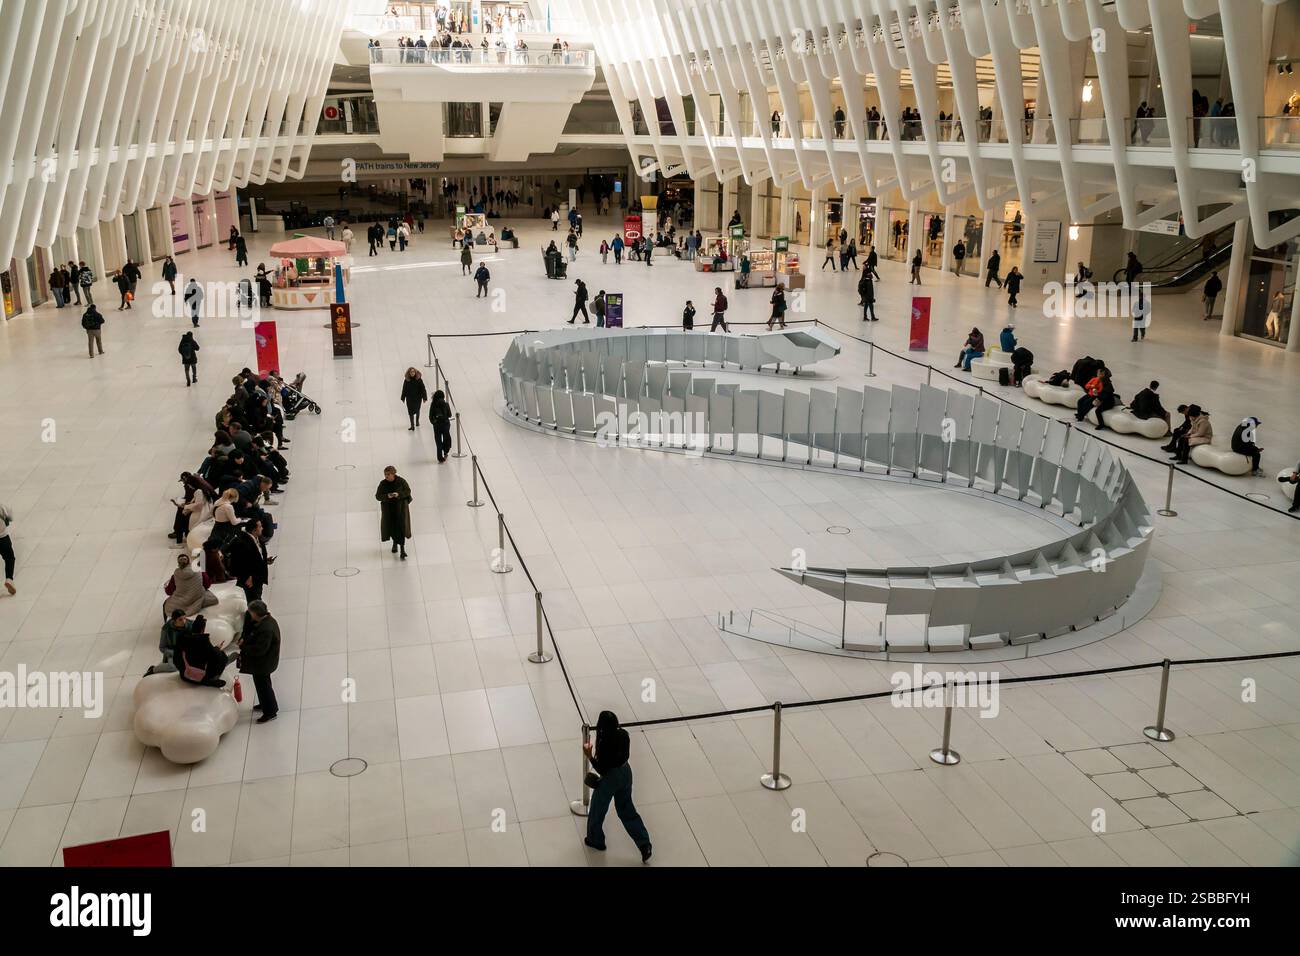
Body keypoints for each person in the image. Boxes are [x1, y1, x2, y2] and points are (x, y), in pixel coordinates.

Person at [583, 710, 652, 862]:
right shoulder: (623, 734)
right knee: (626, 809)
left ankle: (596, 840)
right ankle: (644, 843)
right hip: (626, 772)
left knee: (597, 809)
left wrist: (589, 755)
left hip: (610, 778)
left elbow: (603, 769)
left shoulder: (605, 742)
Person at [238, 600, 281, 723]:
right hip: (264, 662)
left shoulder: (266, 628)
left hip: (264, 663)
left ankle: (270, 711)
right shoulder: (267, 621)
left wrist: (243, 647)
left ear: (256, 613)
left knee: (264, 686)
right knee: (263, 685)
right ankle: (265, 703)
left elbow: (259, 649)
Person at [175, 615, 229, 687]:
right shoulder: (204, 642)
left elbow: (176, 658)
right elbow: (216, 657)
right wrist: (218, 649)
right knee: (222, 656)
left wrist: (182, 669)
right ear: (203, 630)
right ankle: (209, 680)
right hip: (200, 677)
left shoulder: (182, 639)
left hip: (184, 675)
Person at [227, 517, 271, 602]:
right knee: (254, 601)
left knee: (257, 598)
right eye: (260, 527)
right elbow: (239, 562)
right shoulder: (242, 543)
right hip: (250, 580)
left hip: (257, 577)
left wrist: (265, 560)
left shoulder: (257, 538)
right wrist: (247, 577)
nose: (262, 528)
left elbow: (257, 555)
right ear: (254, 530)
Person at [163, 552, 218, 619]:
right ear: (189, 561)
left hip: (181, 602)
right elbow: (207, 585)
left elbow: (169, 592)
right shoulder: (199, 570)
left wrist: (165, 587)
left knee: (165, 605)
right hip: (198, 598)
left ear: (178, 563)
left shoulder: (175, 575)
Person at [376, 466, 412, 560]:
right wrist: (387, 496)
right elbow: (378, 496)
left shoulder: (401, 481)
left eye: (388, 474)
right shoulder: (383, 484)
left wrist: (398, 494)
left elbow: (408, 491)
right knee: (391, 528)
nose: (386, 476)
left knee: (401, 528)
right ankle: (394, 543)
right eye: (385, 475)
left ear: (393, 474)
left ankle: (402, 550)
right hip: (389, 510)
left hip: (400, 510)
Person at [429, 390, 452, 462]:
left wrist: (434, 422)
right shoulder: (446, 404)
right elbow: (449, 415)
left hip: (437, 425)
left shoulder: (433, 404)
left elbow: (430, 416)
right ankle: (445, 451)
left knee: (438, 441)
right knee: (446, 438)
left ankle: (440, 457)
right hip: (445, 424)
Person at [0, 501, 14, 595]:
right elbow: (10, 517)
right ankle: (9, 579)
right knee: (10, 558)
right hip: (3, 538)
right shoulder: (1, 506)